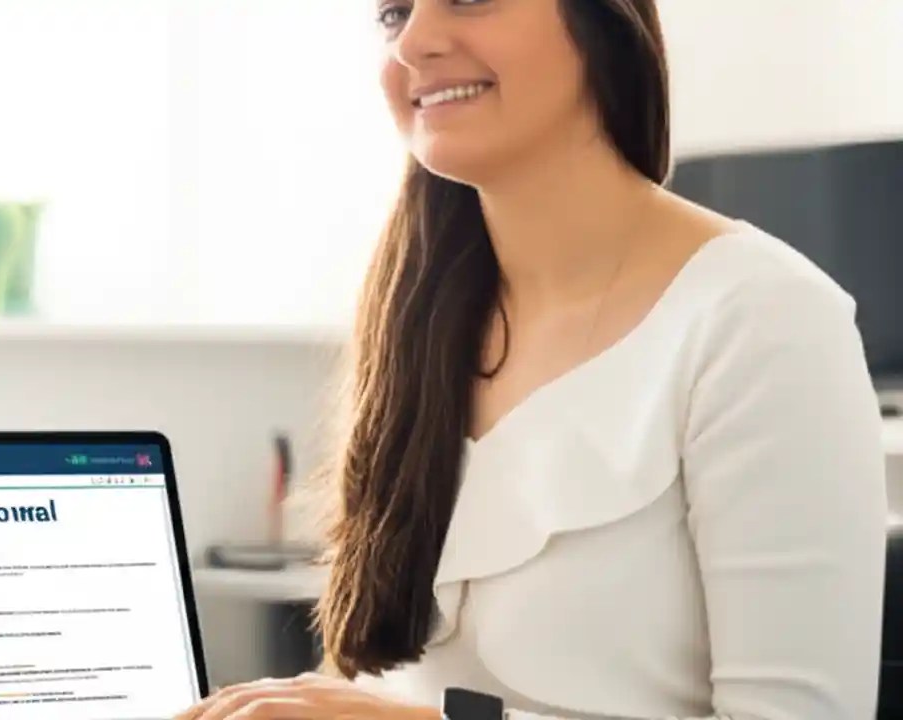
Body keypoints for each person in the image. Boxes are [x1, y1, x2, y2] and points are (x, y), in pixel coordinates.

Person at [179, 0, 887, 718]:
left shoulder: (764, 318)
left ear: (602, 22)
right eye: (394, 13)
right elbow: (379, 684)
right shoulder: (419, 319)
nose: (416, 42)